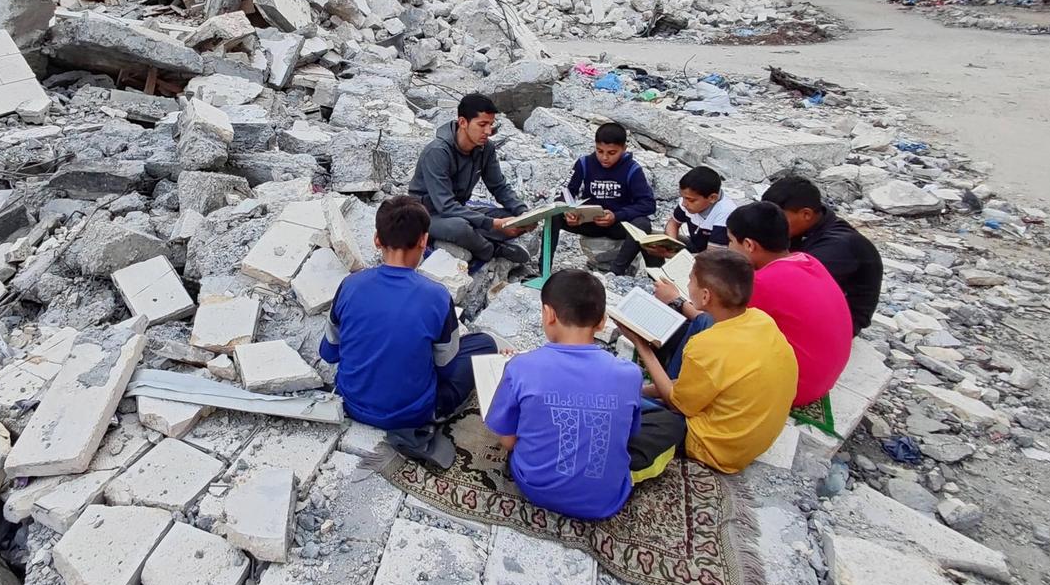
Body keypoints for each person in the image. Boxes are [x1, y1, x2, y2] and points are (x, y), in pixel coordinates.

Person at [321, 196, 498, 434]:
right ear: (424, 241)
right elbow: (445, 368)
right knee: (484, 343)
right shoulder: (437, 296)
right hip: (411, 414)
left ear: (376, 239)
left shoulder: (349, 285)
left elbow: (329, 352)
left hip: (352, 404)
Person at [484, 269, 648, 520]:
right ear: (602, 322)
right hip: (606, 500)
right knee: (666, 423)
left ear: (548, 314)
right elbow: (629, 434)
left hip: (535, 487)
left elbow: (507, 441)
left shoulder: (521, 367)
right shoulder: (630, 374)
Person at [620, 250, 798, 475]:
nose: (687, 284)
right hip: (754, 435)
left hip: (716, 447)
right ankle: (649, 389)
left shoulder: (705, 347)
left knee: (626, 401)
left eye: (690, 280)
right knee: (703, 321)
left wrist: (641, 345)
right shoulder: (761, 319)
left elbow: (677, 404)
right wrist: (647, 390)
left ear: (705, 296)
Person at [726, 202, 852, 406]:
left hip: (795, 387)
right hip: (824, 377)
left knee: (705, 340)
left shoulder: (763, 282)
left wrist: (678, 302)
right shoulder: (807, 260)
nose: (729, 247)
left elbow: (724, 327)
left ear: (749, 245)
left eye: (731, 241)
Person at [408, 93, 532, 267]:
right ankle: (492, 250)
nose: (488, 132)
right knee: (459, 227)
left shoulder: (485, 148)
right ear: (463, 122)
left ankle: (478, 238)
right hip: (427, 215)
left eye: (491, 124)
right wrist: (493, 224)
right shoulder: (437, 152)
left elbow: (498, 186)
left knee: (512, 219)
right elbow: (445, 205)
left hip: (459, 209)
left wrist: (522, 213)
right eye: (482, 125)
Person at [762, 176, 884, 335]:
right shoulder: (808, 227)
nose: (771, 225)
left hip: (841, 323)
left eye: (778, 218)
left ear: (806, 214)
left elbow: (792, 287)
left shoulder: (837, 246)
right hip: (814, 306)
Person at [548, 122, 658, 275]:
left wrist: (617, 216)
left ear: (624, 149)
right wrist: (568, 211)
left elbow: (648, 204)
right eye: (599, 151)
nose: (604, 157)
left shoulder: (632, 169)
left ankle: (615, 272)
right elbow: (564, 192)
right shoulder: (584, 163)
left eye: (612, 153)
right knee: (553, 215)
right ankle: (544, 270)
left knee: (643, 224)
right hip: (589, 221)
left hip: (618, 224)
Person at [653, 166, 737, 257]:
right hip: (696, 246)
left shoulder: (726, 213)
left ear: (712, 198)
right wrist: (671, 244)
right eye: (683, 197)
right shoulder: (688, 201)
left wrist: (672, 255)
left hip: (716, 260)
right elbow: (673, 223)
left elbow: (712, 256)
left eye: (691, 200)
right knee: (654, 242)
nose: (684, 204)